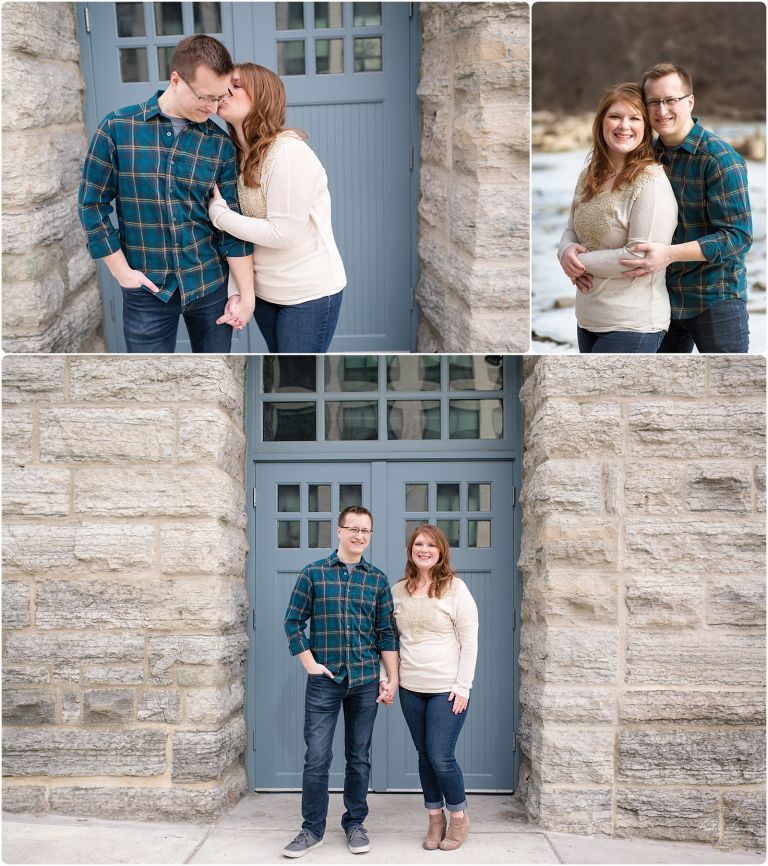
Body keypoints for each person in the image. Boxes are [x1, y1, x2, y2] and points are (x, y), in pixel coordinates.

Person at [78, 35, 255, 353]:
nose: (213, 108)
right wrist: (123, 274)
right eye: (204, 97)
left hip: (209, 285)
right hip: (147, 289)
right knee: (147, 383)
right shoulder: (118, 128)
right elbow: (91, 204)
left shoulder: (218, 143)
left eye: (219, 98)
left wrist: (246, 294)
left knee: (211, 378)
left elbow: (233, 226)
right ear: (176, 80)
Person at [283, 506, 398, 859]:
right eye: (353, 529)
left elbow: (386, 634)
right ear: (339, 531)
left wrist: (391, 679)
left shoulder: (377, 579)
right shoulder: (313, 574)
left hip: (364, 680)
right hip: (326, 681)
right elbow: (292, 622)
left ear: (370, 535)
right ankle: (312, 829)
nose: (359, 535)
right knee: (317, 757)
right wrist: (310, 664)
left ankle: (355, 824)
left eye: (365, 530)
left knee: (358, 757)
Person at [208, 63, 347, 352]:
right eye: (224, 85)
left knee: (298, 381)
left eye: (236, 85)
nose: (225, 91)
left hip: (307, 295)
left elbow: (283, 234)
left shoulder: (288, 153)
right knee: (280, 374)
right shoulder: (235, 157)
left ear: (262, 96)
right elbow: (239, 239)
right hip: (265, 293)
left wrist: (219, 216)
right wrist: (238, 292)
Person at [618, 62, 753, 353]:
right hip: (659, 299)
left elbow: (738, 237)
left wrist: (668, 255)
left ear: (689, 101)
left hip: (714, 298)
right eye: (653, 101)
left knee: (728, 390)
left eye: (670, 100)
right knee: (664, 394)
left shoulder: (718, 159)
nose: (661, 110)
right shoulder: (646, 157)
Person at [558, 83, 678, 353]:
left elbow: (638, 256)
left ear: (646, 129)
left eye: (635, 118)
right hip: (588, 319)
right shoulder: (591, 173)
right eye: (615, 116)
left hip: (633, 324)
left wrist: (578, 263)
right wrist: (564, 252)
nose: (624, 126)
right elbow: (570, 230)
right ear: (601, 122)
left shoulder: (650, 181)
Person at [380, 524, 478, 852]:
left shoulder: (456, 589)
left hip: (446, 689)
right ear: (411, 550)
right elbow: (388, 640)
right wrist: (388, 678)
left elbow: (470, 642)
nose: (424, 549)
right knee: (424, 755)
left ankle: (459, 817)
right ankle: (435, 819)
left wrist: (463, 686)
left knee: (441, 756)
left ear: (440, 552)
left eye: (431, 545)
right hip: (410, 687)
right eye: (418, 544)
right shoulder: (398, 591)